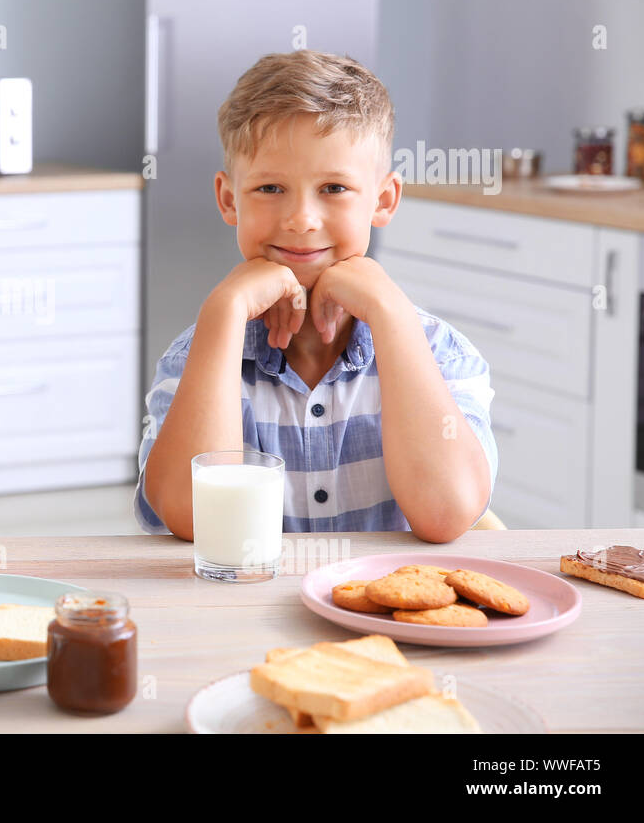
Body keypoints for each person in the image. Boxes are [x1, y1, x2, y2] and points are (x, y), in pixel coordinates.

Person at [136, 50, 497, 542]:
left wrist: (389, 312)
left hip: (382, 618)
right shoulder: (200, 356)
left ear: (384, 200)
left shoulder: (440, 353)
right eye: (269, 187)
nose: (301, 219)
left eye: (333, 187)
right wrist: (224, 310)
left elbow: (447, 513)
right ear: (228, 199)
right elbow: (194, 521)